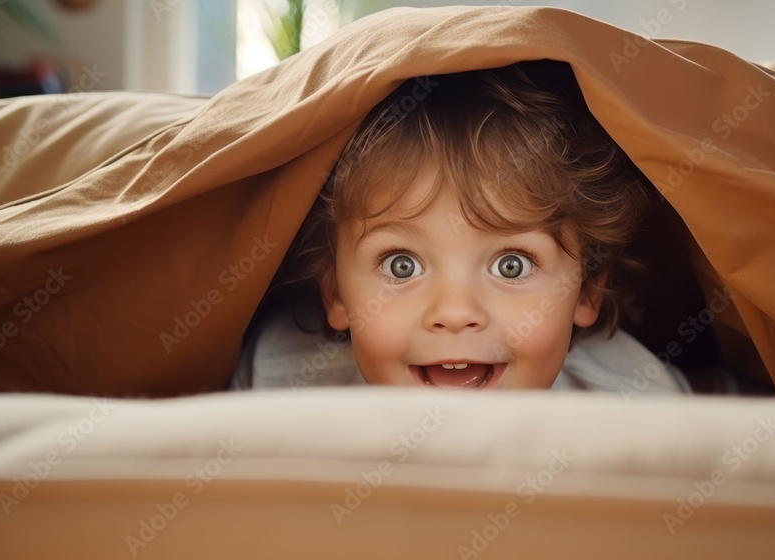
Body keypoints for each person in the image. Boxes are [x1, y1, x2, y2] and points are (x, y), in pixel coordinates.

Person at [230, 60, 689, 393]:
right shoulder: (280, 384)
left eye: (511, 266)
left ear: (587, 289)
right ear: (334, 291)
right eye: (402, 266)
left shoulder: (635, 403)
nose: (453, 312)